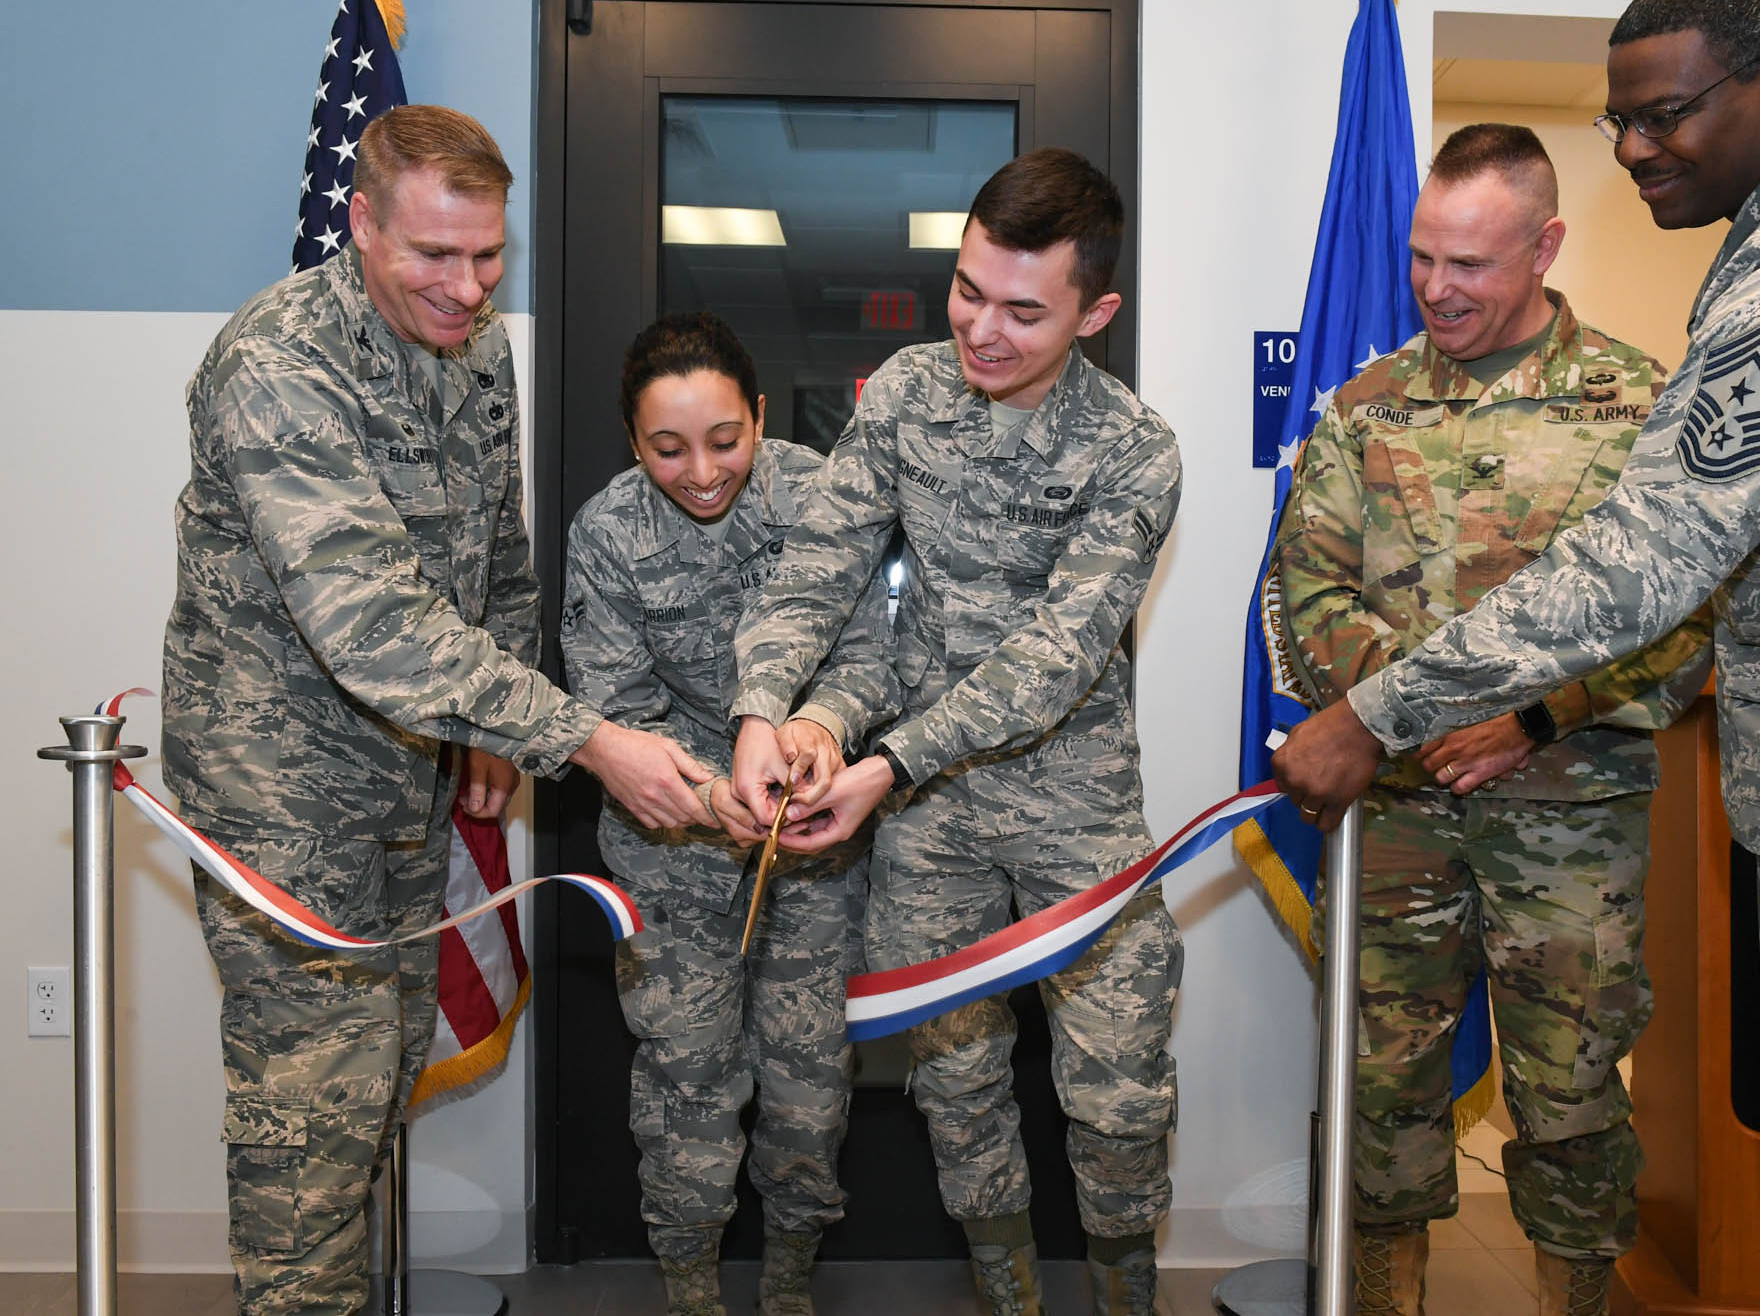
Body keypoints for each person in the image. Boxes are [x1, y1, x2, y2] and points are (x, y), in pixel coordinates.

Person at [1270, 0, 1760, 1312]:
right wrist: (1388, 712)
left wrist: (1408, 716)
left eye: (1665, 115)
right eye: (1619, 121)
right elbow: (1307, 586)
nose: (1636, 148)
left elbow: (1652, 572)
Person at [163, 105, 713, 1316]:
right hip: (283, 804)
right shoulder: (277, 365)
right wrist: (581, 739)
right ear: (359, 225)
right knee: (308, 1129)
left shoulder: (476, 350)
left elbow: (493, 560)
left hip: (408, 781)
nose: (469, 287)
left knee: (381, 1080)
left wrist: (483, 737)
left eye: (488, 255)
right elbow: (369, 621)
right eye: (435, 256)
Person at [1266, 123, 1712, 1316]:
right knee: (1382, 1079)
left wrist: (1531, 716)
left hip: (1568, 820)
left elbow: (1687, 613)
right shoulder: (1365, 409)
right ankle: (1385, 1293)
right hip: (1397, 817)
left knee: (1570, 1093)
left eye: (1467, 263)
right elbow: (1302, 591)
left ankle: (1577, 1296)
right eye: (1422, 258)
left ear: (1545, 243)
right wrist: (1411, 722)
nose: (1434, 288)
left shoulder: (1637, 404)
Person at [728, 148, 1183, 1316]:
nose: (980, 329)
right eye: (967, 290)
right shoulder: (902, 398)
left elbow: (1053, 660)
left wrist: (885, 762)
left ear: (1096, 313)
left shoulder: (1135, 452)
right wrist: (763, 710)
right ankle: (1011, 1298)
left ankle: (1127, 1298)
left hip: (1072, 808)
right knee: (954, 1077)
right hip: (932, 823)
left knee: (1118, 1086)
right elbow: (816, 566)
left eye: (1022, 310)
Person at [560, 313, 897, 1316]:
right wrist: (713, 797)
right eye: (667, 449)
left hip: (812, 862)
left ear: (758, 416)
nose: (701, 471)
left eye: (723, 440)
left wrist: (822, 730)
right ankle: (692, 1291)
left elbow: (868, 649)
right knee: (686, 1099)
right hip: (672, 863)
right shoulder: (608, 534)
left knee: (808, 1097)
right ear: (632, 442)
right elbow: (616, 713)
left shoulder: (816, 495)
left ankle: (789, 1285)